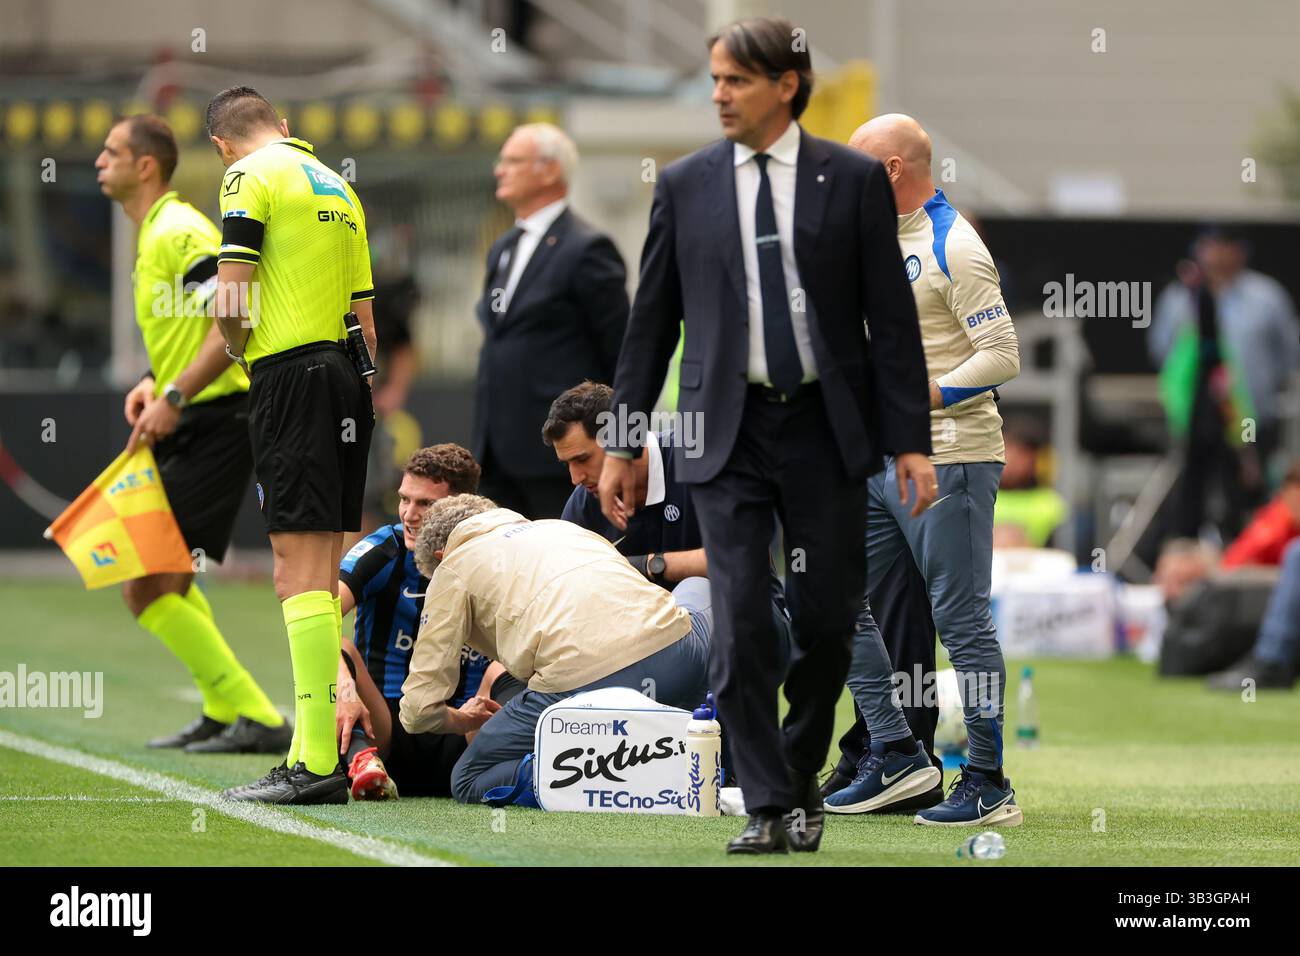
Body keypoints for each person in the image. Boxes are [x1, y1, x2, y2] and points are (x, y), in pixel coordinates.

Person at [598, 18, 935, 854]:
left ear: (787, 85)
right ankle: (770, 798)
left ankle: (800, 766)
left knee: (825, 621)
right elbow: (652, 323)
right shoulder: (684, 184)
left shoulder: (852, 180)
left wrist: (911, 441)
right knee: (742, 615)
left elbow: (890, 324)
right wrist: (623, 437)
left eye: (735, 80)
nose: (718, 94)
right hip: (724, 433)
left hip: (825, 430)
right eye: (713, 79)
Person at [826, 114, 1023, 827]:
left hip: (953, 457)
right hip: (882, 459)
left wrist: (923, 395)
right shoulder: (876, 240)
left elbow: (1003, 354)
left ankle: (989, 781)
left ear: (890, 171)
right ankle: (897, 751)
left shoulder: (955, 243)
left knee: (962, 622)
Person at [95, 114, 287, 754]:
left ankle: (257, 716)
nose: (100, 160)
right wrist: (157, 380)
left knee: (144, 584)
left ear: (145, 165)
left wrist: (176, 394)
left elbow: (234, 318)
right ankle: (222, 709)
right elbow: (190, 328)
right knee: (167, 579)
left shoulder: (178, 231)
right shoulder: (154, 233)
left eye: (111, 151)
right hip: (193, 418)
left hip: (217, 421)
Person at [206, 86, 377, 804]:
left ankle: (313, 763)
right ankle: (318, 759)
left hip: (290, 375)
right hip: (345, 381)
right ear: (283, 125)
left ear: (222, 145)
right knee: (323, 561)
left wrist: (239, 350)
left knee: (295, 571)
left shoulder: (247, 175)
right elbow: (366, 320)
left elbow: (234, 289)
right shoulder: (340, 185)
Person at [400, 495, 713, 807]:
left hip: (582, 689)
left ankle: (606, 773)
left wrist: (462, 720)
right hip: (680, 661)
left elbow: (418, 711)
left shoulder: (452, 566)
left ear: (441, 556)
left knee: (468, 779)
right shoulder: (560, 527)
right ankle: (717, 748)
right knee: (700, 586)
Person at [544, 378, 792, 695]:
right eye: (567, 464)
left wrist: (647, 565)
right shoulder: (584, 502)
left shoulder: (700, 458)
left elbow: (743, 557)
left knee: (695, 589)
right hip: (648, 650)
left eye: (583, 459)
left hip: (754, 627)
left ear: (625, 439)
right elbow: (568, 586)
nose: (576, 478)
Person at [331, 444, 523, 799]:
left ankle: (521, 766)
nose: (408, 514)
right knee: (335, 649)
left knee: (508, 667)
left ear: (460, 508)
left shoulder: (497, 557)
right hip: (385, 729)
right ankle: (361, 762)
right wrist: (344, 691)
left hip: (465, 732)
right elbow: (322, 616)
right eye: (404, 499)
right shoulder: (383, 549)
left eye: (426, 505)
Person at [472, 123, 629, 519]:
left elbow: (621, 350)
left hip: (558, 456)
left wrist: (611, 442)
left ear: (549, 170)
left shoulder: (587, 248)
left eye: (512, 160)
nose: (499, 170)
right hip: (497, 451)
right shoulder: (504, 247)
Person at [1148, 227, 1299, 542]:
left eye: (1225, 246)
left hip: (1248, 421)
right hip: (1193, 423)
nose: (1216, 254)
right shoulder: (1179, 299)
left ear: (1240, 252)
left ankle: (1246, 568)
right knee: (1186, 504)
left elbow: (1288, 356)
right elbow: (1163, 353)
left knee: (1247, 502)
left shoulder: (1267, 298)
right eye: (1210, 246)